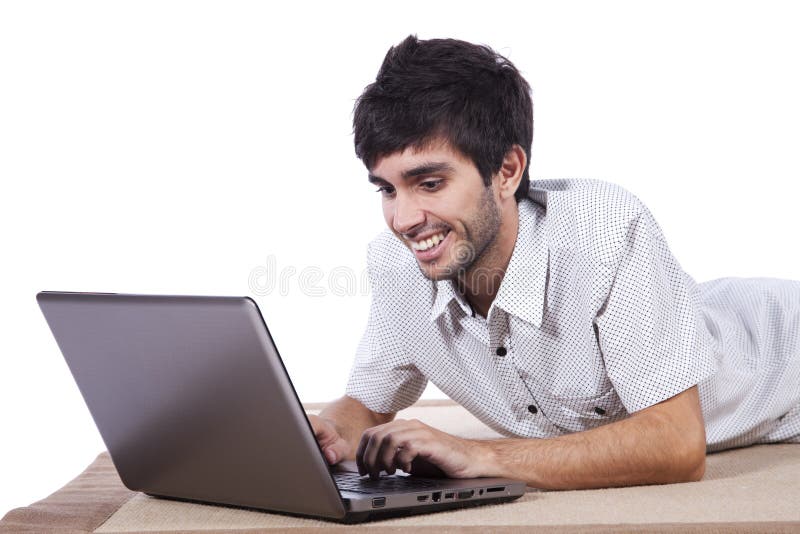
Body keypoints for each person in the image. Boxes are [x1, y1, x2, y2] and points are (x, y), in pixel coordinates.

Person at [308, 34, 800, 490]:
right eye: (387, 189)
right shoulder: (396, 266)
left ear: (507, 171)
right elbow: (368, 405)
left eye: (430, 184)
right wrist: (326, 433)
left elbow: (677, 444)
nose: (403, 219)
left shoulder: (604, 230)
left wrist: (480, 455)